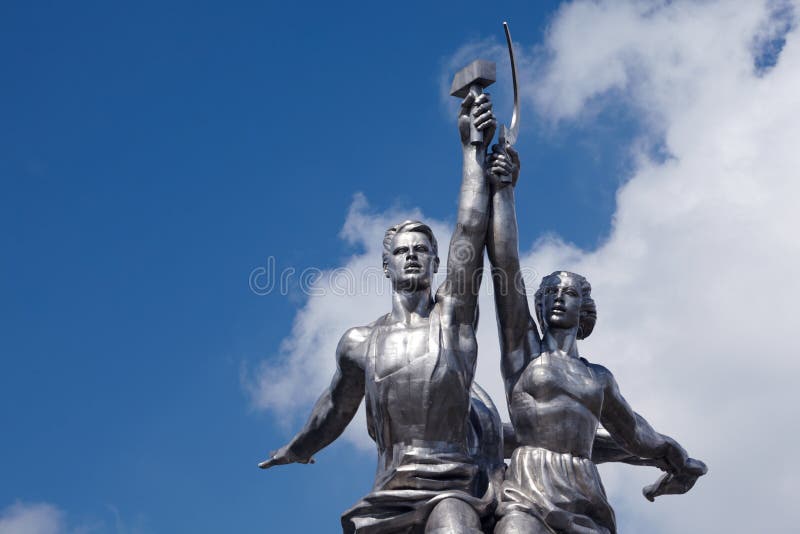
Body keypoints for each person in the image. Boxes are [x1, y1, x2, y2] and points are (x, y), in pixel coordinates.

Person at [259, 92, 504, 534]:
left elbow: (470, 227)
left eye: (422, 251)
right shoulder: (359, 344)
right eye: (402, 251)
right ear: (386, 265)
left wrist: (472, 151)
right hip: (388, 493)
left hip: (453, 486)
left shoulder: (453, 320)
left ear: (436, 263)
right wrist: (298, 448)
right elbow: (334, 409)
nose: (412, 257)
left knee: (455, 524)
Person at [485, 147, 707, 534]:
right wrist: (504, 191)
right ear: (537, 304)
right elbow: (506, 263)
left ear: (583, 308)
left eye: (568, 293)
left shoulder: (599, 379)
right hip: (527, 485)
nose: (557, 296)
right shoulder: (524, 354)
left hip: (584, 489)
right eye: (550, 291)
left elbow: (635, 434)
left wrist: (673, 455)